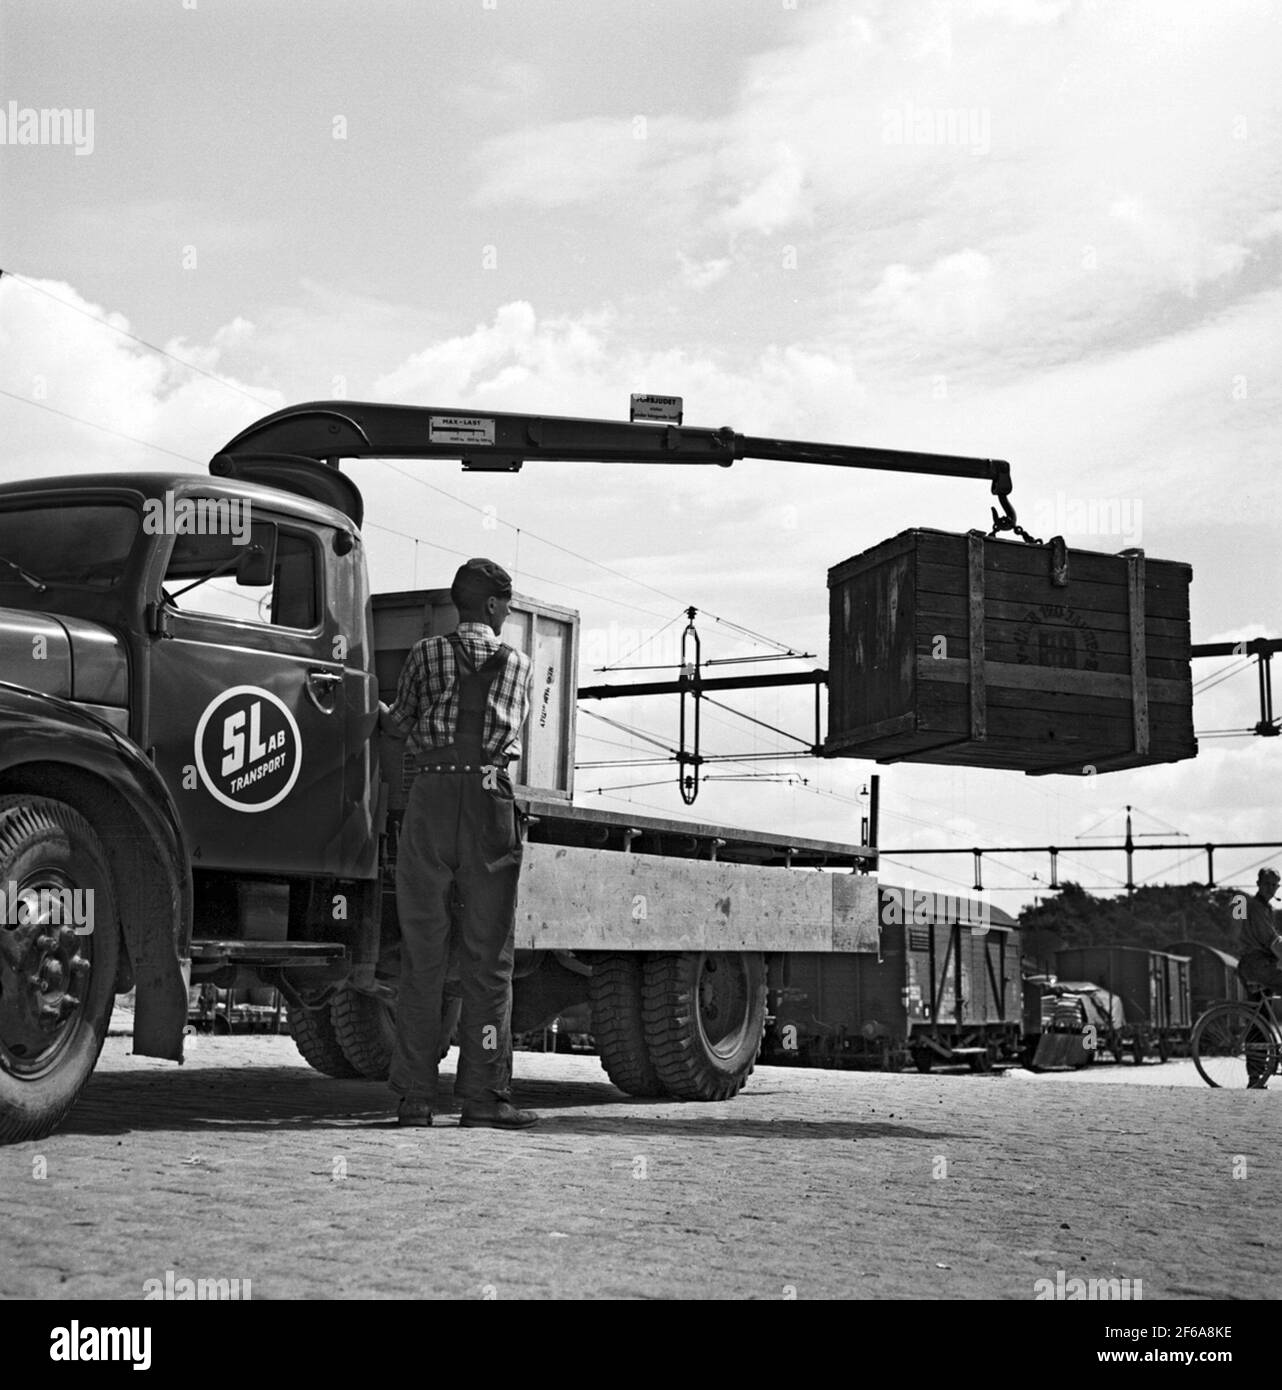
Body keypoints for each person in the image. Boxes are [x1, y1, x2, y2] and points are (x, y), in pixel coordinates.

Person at [379, 558, 537, 1129]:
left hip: (432, 796)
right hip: (489, 802)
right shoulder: (519, 664)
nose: (510, 613)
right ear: (493, 607)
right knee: (488, 961)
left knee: (422, 957)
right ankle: (483, 1099)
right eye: (509, 605)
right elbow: (513, 730)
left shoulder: (425, 654)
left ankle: (416, 1098)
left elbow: (400, 722)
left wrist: (376, 713)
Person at [1233, 867, 1282, 1090]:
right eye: (1268, 884)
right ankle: (1255, 1074)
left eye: (1275, 885)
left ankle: (1256, 1076)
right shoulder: (1255, 907)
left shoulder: (1265, 908)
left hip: (1258, 965)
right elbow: (1271, 940)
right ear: (1259, 883)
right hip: (1256, 966)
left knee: (1259, 1020)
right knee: (1258, 1020)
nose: (1271, 889)